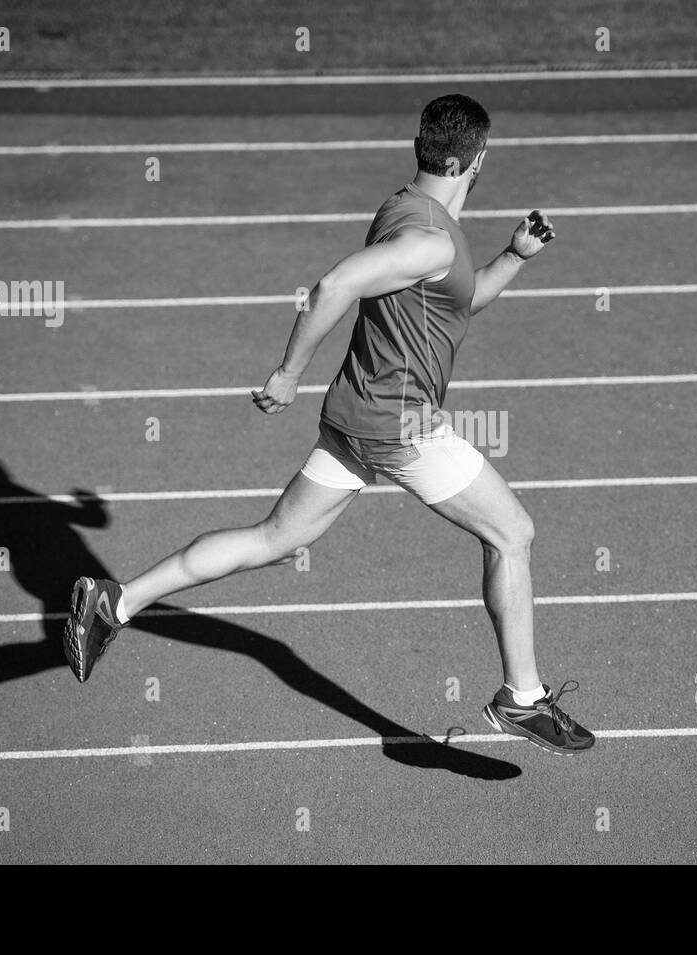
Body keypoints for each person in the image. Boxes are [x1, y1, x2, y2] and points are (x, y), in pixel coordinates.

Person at [63, 93, 594, 756]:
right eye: (485, 157)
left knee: (275, 539)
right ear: (472, 160)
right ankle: (521, 696)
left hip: (356, 415)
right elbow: (334, 285)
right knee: (513, 533)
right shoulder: (428, 238)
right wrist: (288, 371)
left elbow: (457, 301)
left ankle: (114, 602)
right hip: (399, 425)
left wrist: (513, 257)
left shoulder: (408, 215)